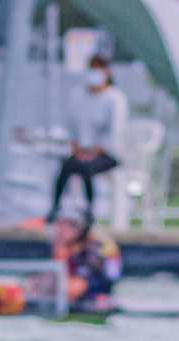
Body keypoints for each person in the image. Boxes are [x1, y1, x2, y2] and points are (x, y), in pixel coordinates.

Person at [47, 53, 128, 223]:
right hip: (81, 151)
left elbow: (115, 133)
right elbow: (72, 127)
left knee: (86, 168)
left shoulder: (115, 98)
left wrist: (95, 150)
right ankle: (55, 209)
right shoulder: (78, 95)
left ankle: (89, 212)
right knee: (67, 167)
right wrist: (77, 148)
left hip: (106, 154)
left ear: (108, 73)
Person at [53, 212, 122, 314]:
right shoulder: (64, 244)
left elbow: (111, 275)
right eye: (59, 227)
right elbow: (60, 270)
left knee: (74, 286)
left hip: (97, 289)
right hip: (79, 284)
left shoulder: (98, 244)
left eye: (64, 227)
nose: (60, 231)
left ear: (78, 228)